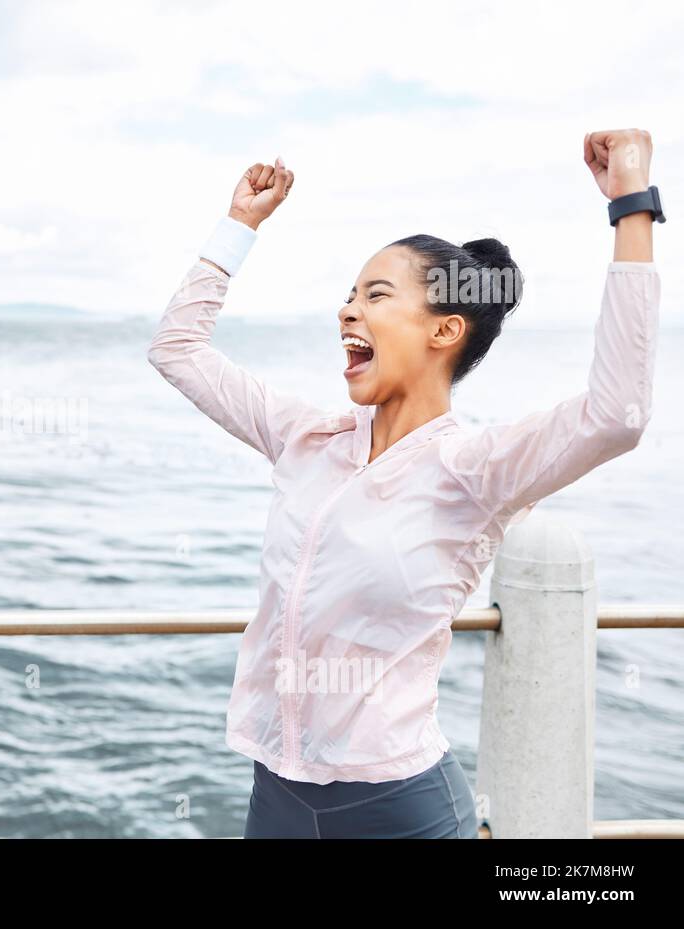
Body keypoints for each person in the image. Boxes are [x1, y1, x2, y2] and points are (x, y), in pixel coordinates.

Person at [147, 134, 659, 838]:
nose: (348, 311)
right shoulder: (305, 436)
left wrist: (632, 202)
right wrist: (240, 223)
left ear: (444, 329)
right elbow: (176, 348)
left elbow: (617, 415)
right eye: (349, 295)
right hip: (274, 797)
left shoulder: (474, 468)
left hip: (398, 810)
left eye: (376, 295)